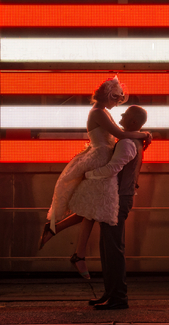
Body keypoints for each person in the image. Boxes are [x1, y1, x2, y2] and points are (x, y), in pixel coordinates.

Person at [39, 78, 150, 279]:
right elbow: (119, 134)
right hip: (100, 158)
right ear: (109, 96)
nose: (118, 104)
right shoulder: (99, 112)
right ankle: (70, 245)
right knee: (94, 208)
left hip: (102, 156)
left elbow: (119, 135)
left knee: (92, 208)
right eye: (116, 98)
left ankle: (75, 249)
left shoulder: (102, 112)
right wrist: (144, 134)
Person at [83, 105, 149, 310]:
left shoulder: (127, 143)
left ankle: (118, 297)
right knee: (108, 248)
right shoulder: (135, 142)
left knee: (113, 250)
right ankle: (110, 293)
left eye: (125, 114)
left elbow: (112, 169)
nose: (120, 115)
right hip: (118, 198)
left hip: (117, 200)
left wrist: (88, 175)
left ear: (132, 122)